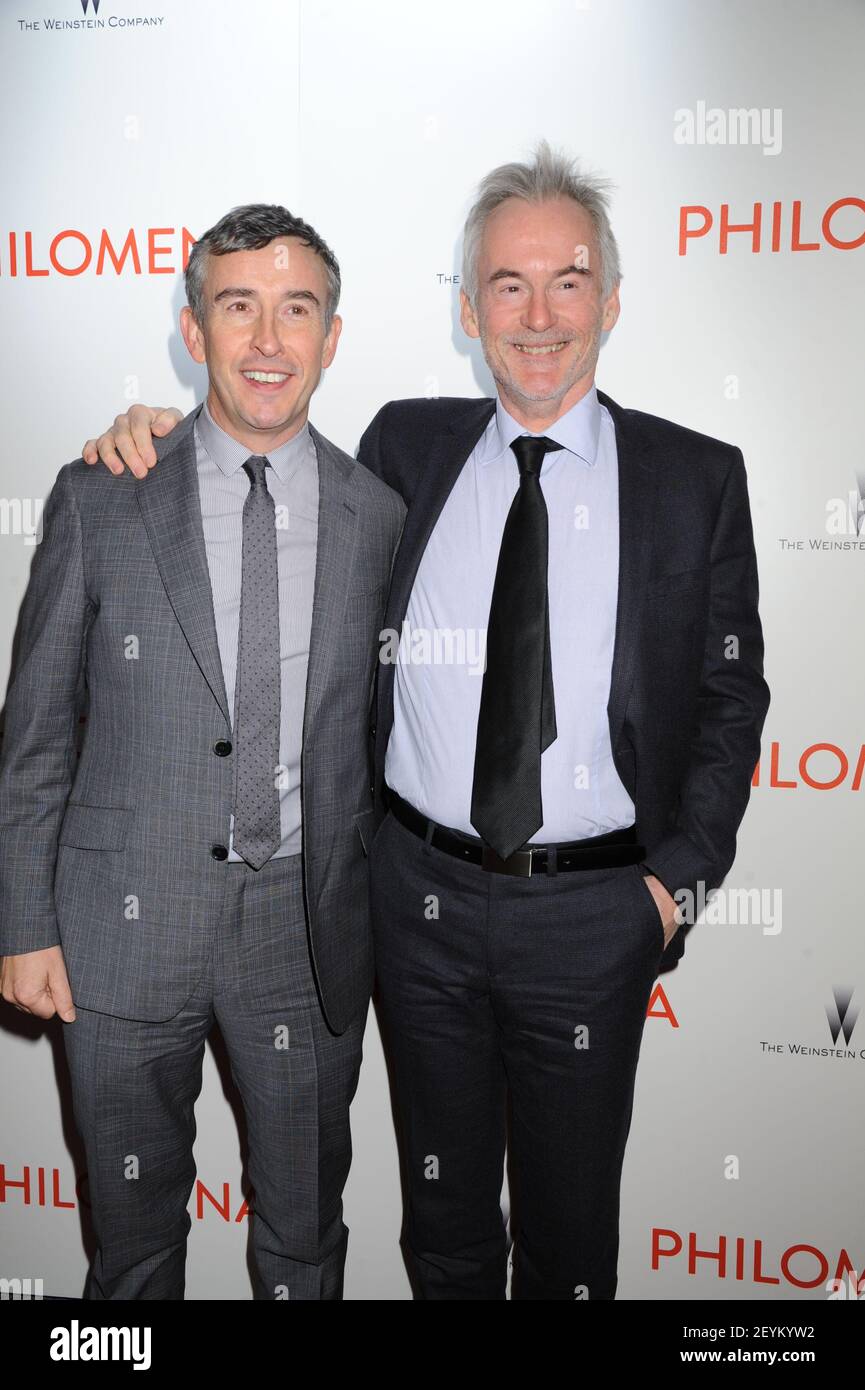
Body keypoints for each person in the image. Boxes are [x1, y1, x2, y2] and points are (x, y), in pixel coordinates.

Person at [75, 143, 770, 1300]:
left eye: (567, 280)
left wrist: (671, 888)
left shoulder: (693, 478)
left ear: (610, 300)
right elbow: (258, 449)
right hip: (417, 909)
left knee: (570, 1239)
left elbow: (728, 699)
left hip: (595, 917)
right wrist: (144, 434)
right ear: (466, 308)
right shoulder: (409, 448)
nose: (538, 314)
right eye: (506, 283)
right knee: (441, 1226)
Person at [0, 203, 405, 1300]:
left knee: (304, 1237)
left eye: (296, 309)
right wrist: (24, 924)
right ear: (193, 330)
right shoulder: (102, 492)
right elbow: (33, 736)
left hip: (303, 935)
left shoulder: (379, 517)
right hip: (120, 930)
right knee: (130, 1248)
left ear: (331, 334)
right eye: (238, 307)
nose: (267, 339)